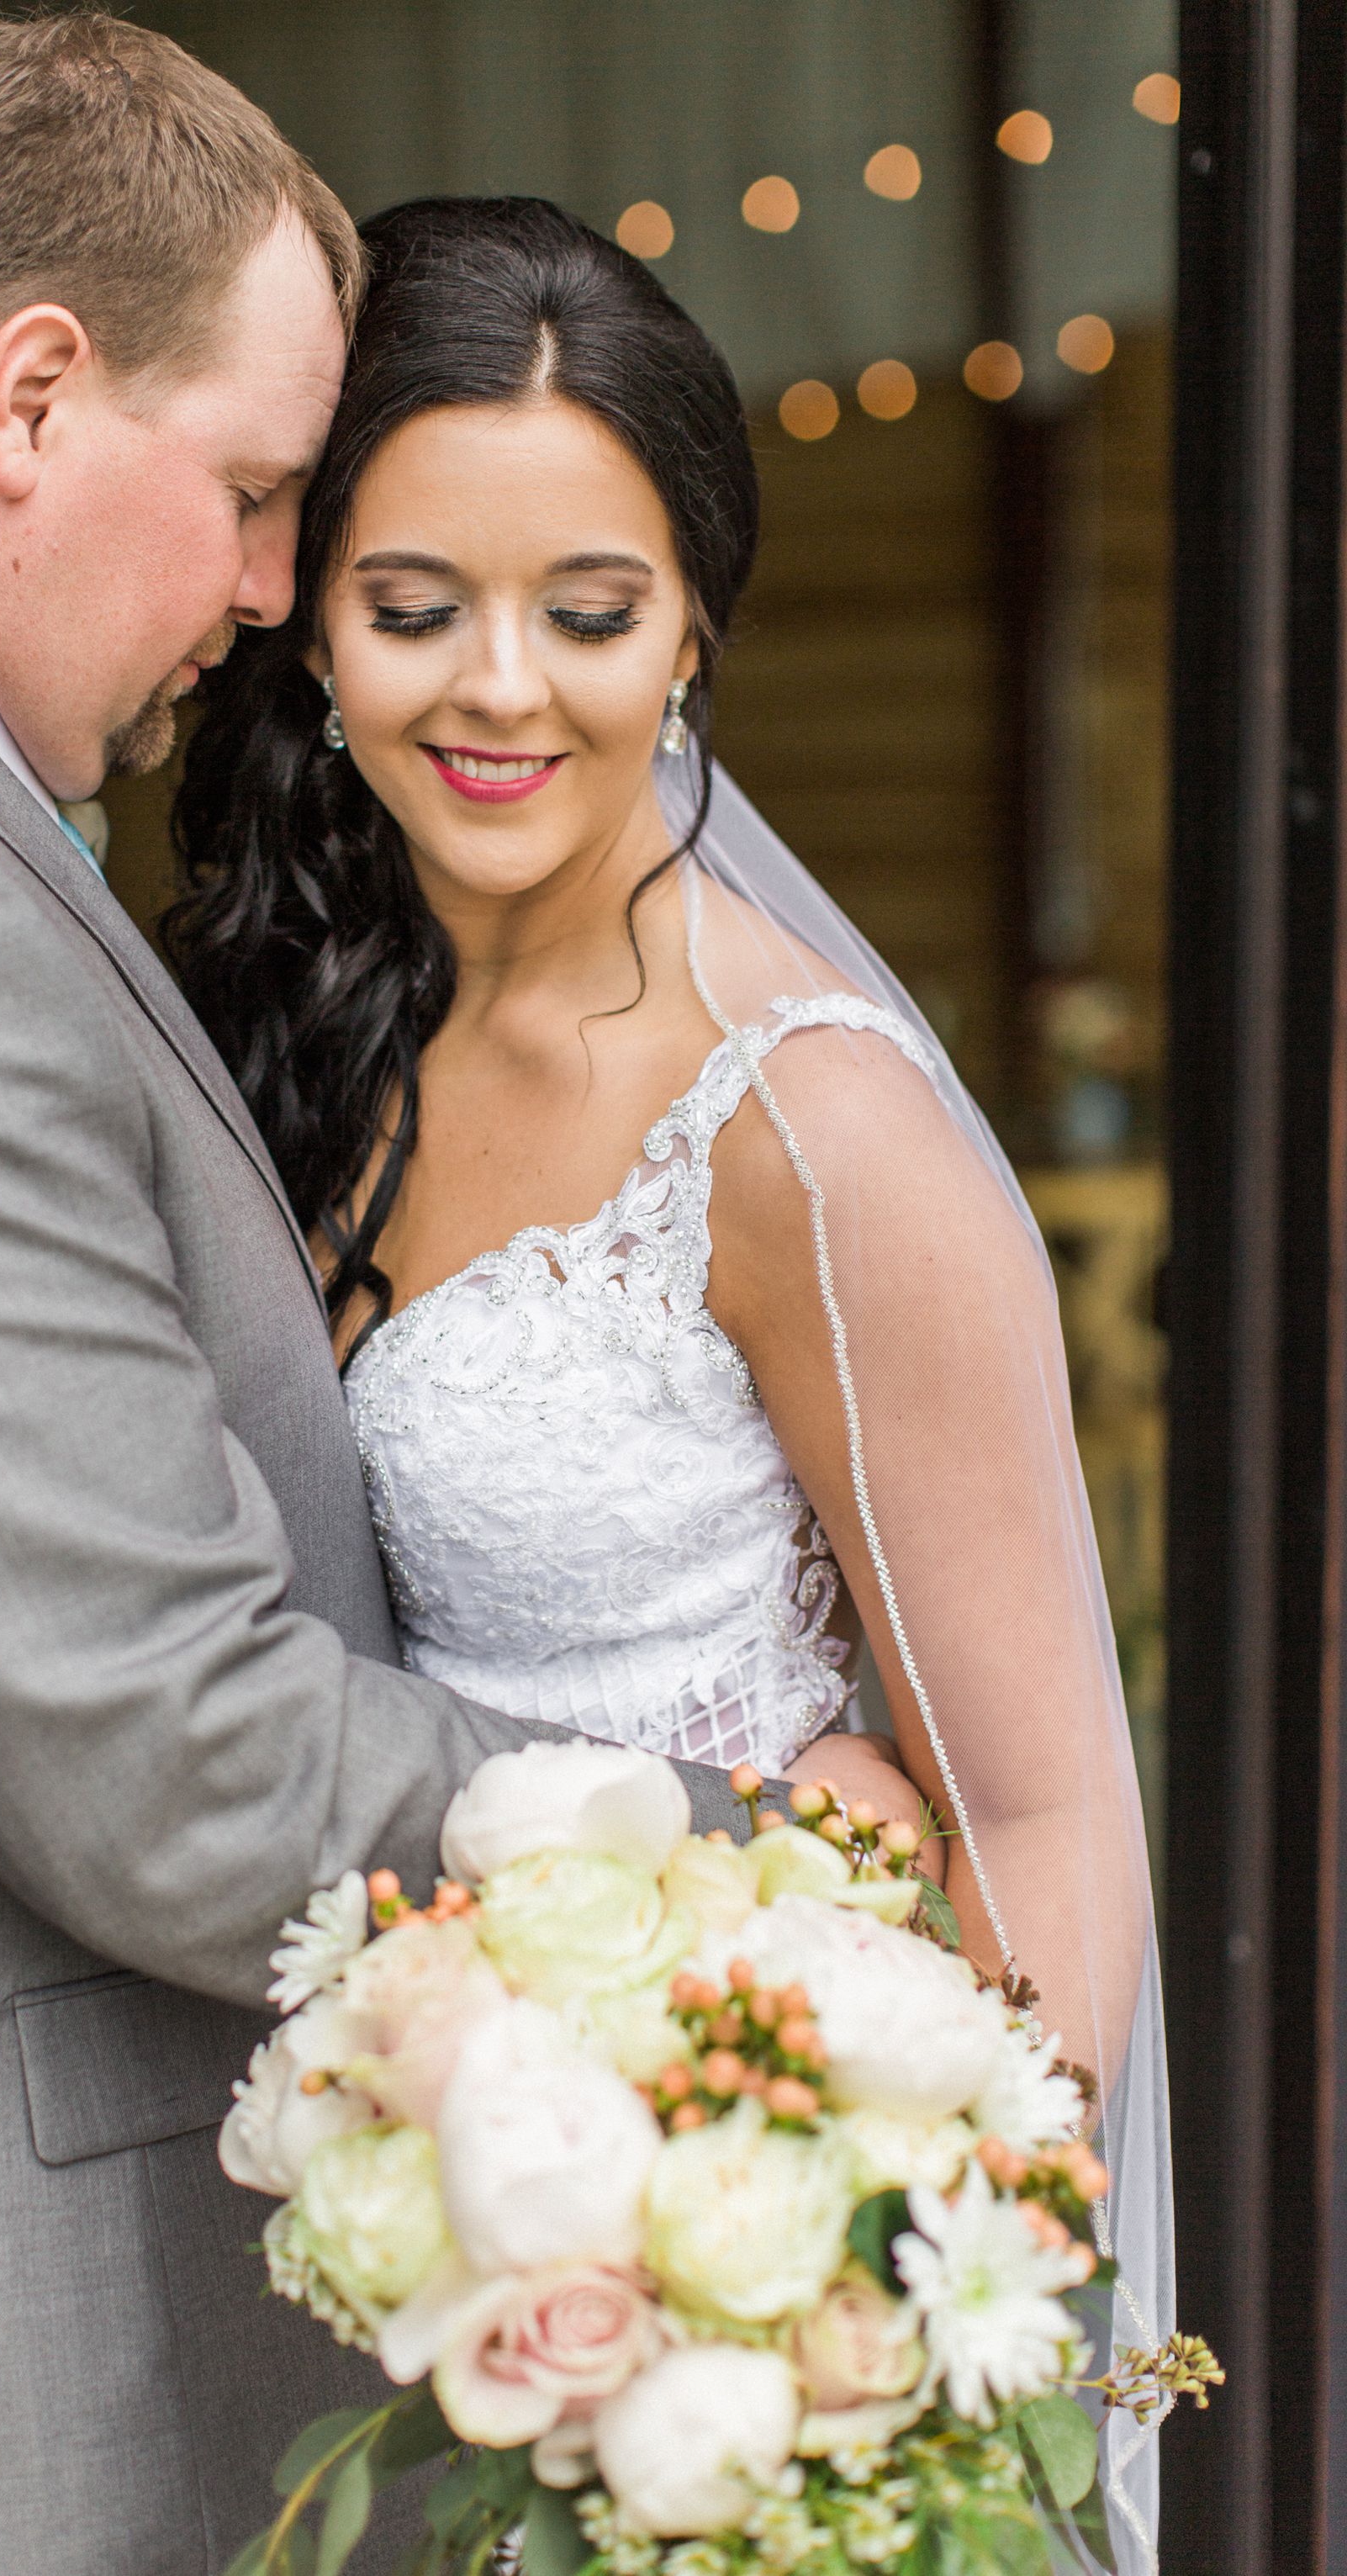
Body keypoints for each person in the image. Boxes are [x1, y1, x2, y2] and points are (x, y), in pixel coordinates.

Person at [0, 30, 755, 2576]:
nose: (268, 594)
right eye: (251, 494)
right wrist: (751, 1854)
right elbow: (150, 1738)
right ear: (30, 396)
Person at [170, 194, 1173, 2570]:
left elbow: (1042, 1815)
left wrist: (869, 2367)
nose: (499, 690)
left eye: (592, 612)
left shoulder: (806, 1130)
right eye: (416, 605)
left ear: (697, 623)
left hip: (707, 2302)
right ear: (310, 615)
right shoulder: (304, 1019)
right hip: (384, 2239)